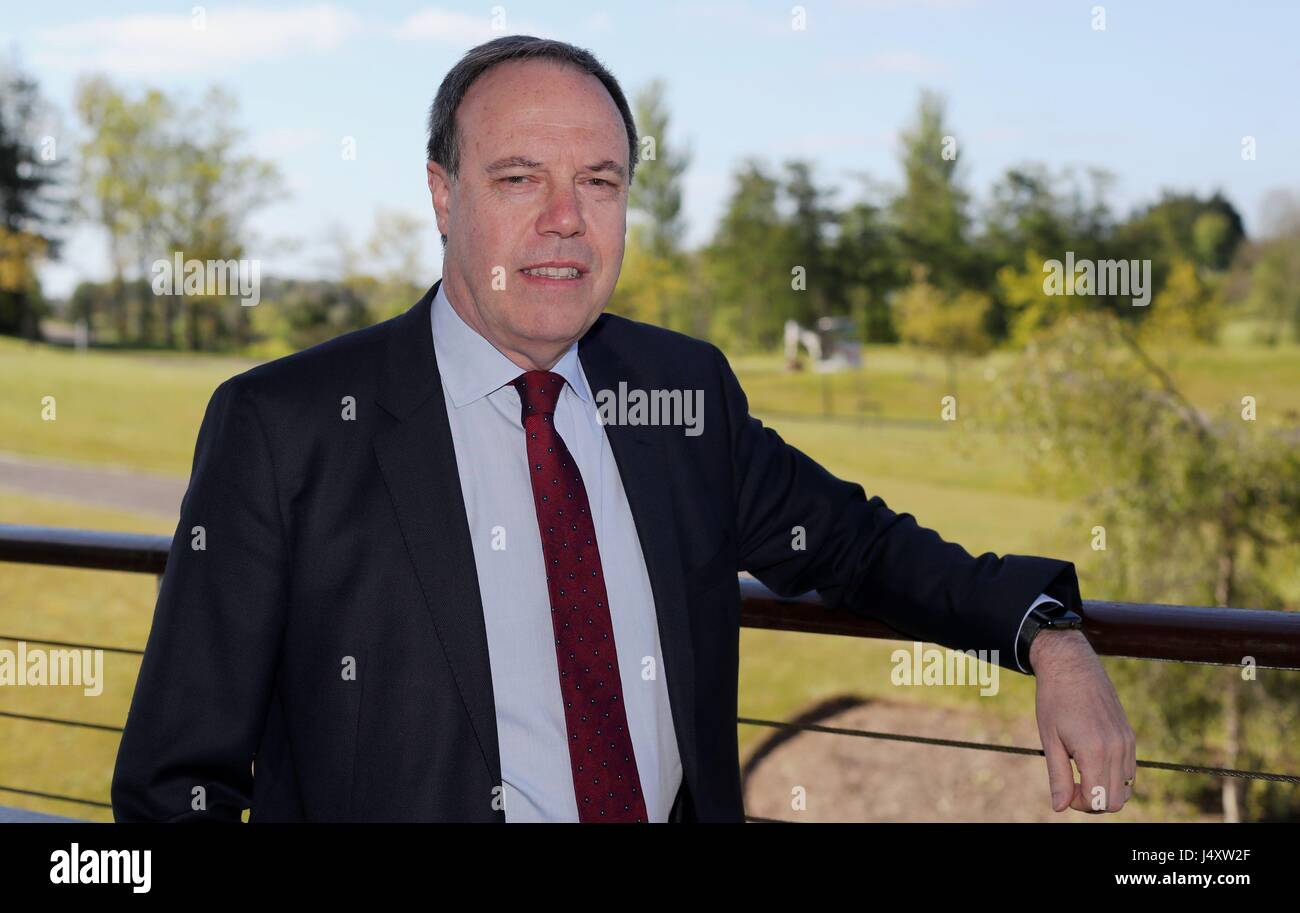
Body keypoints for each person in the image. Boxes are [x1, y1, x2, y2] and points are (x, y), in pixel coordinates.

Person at [112, 35, 1135, 823]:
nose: (566, 219)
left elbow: (861, 546)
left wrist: (1046, 633)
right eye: (520, 178)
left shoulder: (680, 394)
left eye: (598, 182)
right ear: (441, 195)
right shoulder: (284, 426)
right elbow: (175, 782)